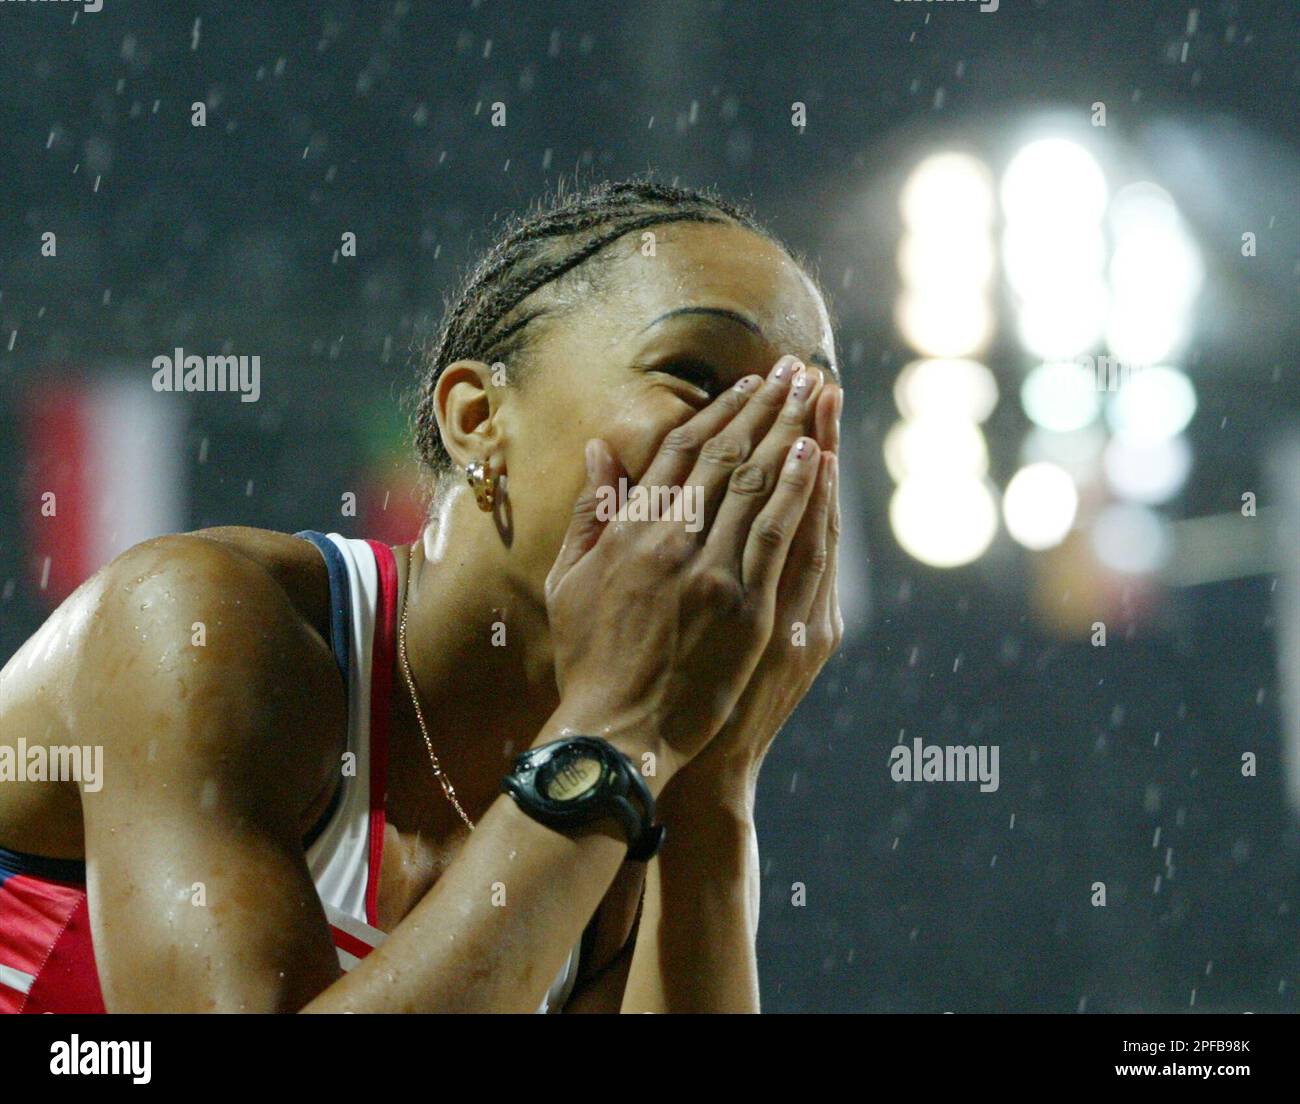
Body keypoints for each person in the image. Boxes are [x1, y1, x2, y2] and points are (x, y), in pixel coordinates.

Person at [0, 177, 844, 1013]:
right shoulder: (195, 621)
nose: (762, 452)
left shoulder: (628, 799)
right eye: (696, 375)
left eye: (808, 416)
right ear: (477, 418)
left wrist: (718, 786)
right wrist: (614, 734)